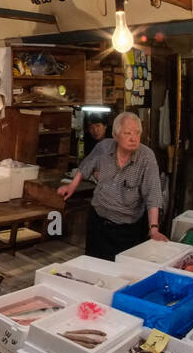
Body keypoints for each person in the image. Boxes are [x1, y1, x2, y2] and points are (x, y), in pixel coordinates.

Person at [58, 111, 166, 260]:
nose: (133, 138)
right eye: (127, 133)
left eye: (137, 133)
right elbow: (85, 167)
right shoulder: (103, 147)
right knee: (94, 267)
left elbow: (153, 194)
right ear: (115, 136)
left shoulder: (147, 157)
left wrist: (153, 229)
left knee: (122, 272)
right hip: (98, 223)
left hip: (128, 229)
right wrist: (71, 186)